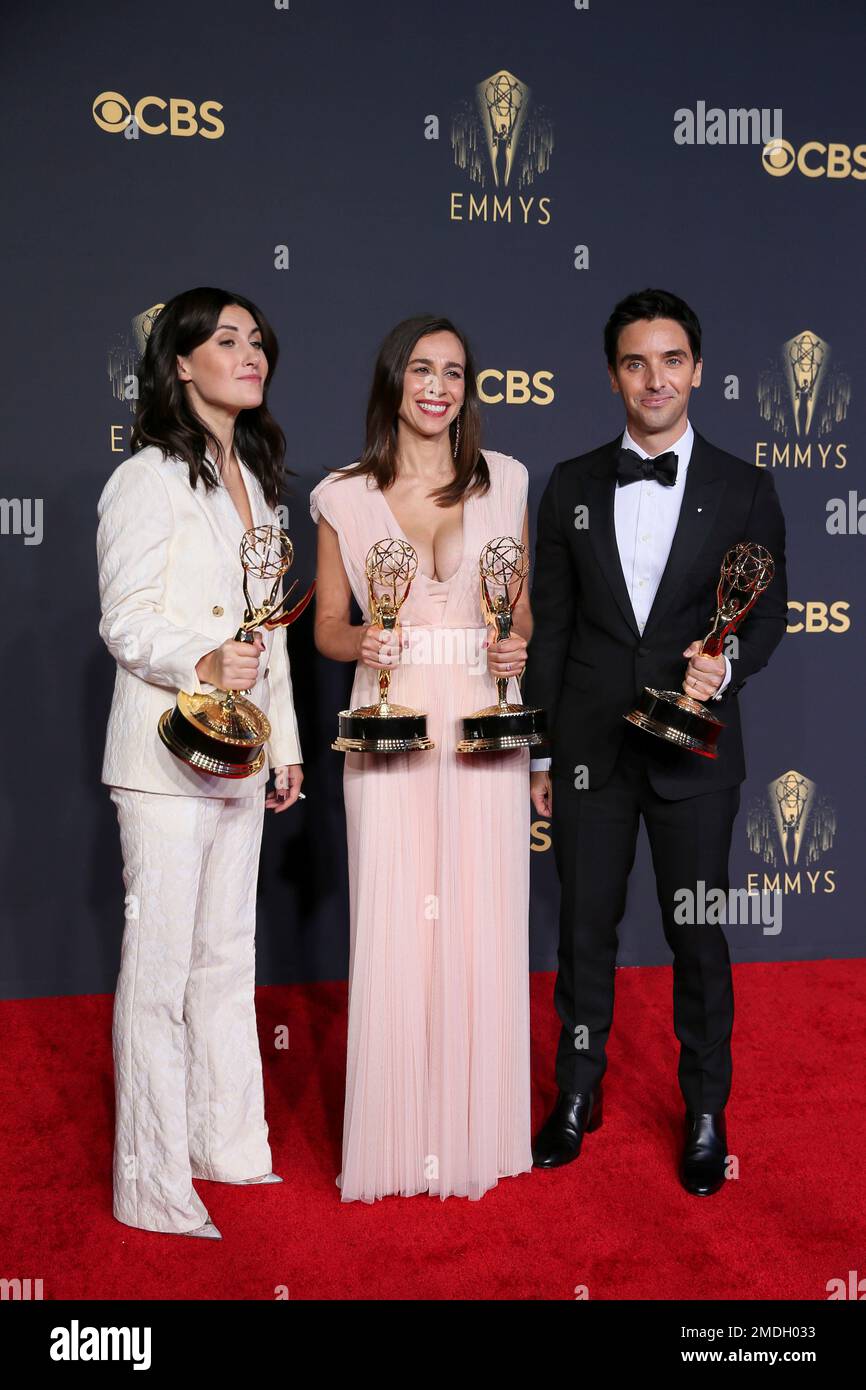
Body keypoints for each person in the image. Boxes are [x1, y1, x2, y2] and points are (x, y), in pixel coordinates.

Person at [526, 288, 787, 1195]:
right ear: (612, 376)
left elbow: (772, 611)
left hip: (695, 753)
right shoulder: (568, 485)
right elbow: (552, 630)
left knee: (698, 939)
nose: (655, 378)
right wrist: (544, 753)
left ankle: (706, 1109)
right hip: (592, 747)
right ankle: (577, 1092)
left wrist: (729, 663)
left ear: (699, 371)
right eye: (636, 362)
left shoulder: (744, 485)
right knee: (584, 930)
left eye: (671, 360)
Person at [310, 315, 533, 1202]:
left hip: (484, 711)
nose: (438, 386)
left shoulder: (507, 481)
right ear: (393, 381)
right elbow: (327, 627)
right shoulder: (340, 495)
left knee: (481, 919)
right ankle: (395, 1144)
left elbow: (519, 613)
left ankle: (479, 1133)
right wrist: (364, 642)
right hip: (390, 716)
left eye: (455, 372)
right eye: (422, 369)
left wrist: (516, 643)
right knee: (398, 919)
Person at [96, 286, 304, 1237]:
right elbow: (126, 619)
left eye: (256, 340)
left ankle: (227, 1147)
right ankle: (152, 1180)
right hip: (162, 757)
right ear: (181, 363)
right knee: (161, 967)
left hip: (239, 756)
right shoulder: (144, 476)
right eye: (226, 340)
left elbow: (273, 636)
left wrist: (286, 745)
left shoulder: (256, 481)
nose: (248, 353)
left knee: (227, 959)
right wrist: (202, 659)